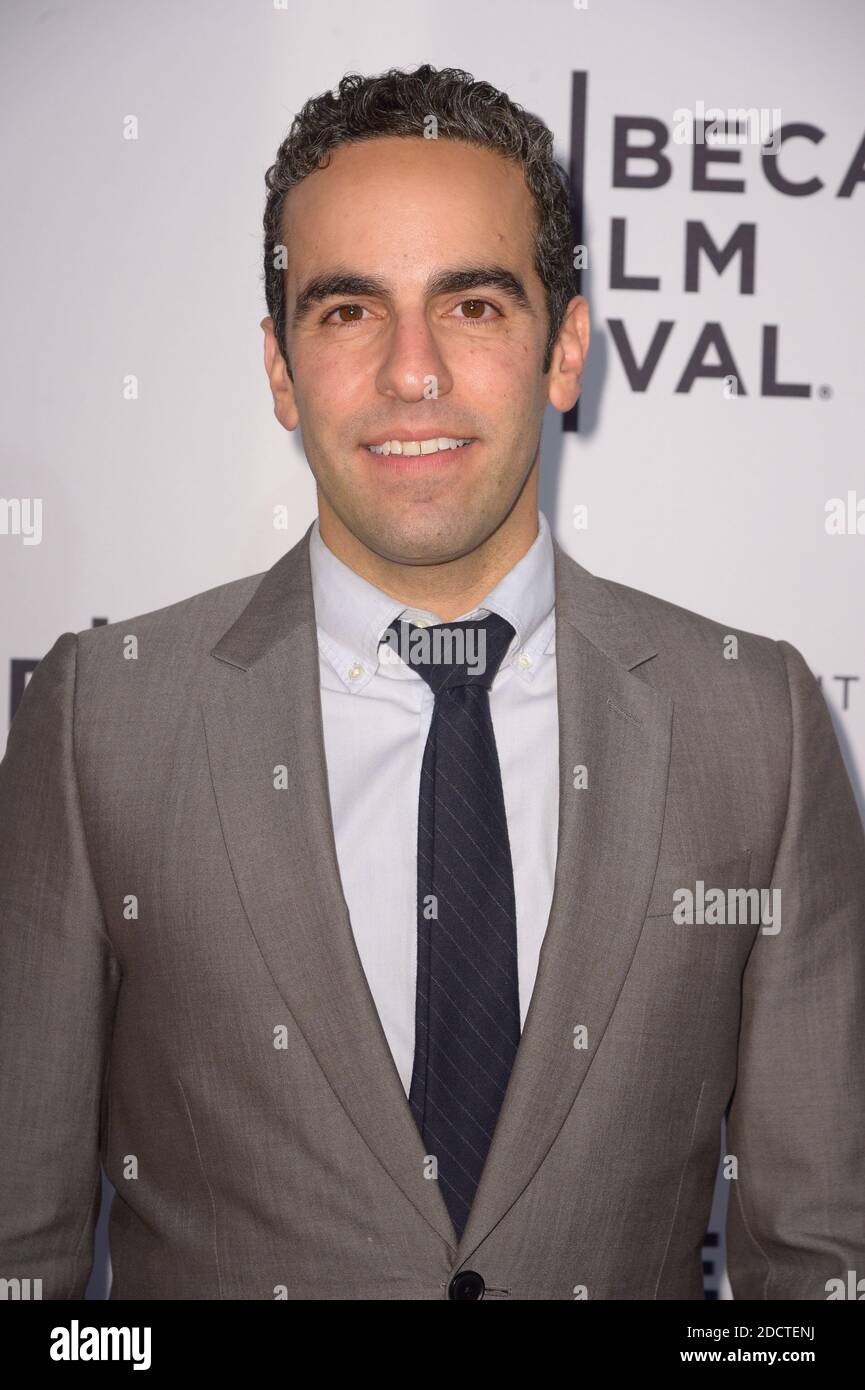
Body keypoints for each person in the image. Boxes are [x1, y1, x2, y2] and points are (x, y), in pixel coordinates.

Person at [1, 63, 863, 1302]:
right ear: (282, 368)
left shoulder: (755, 725)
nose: (413, 373)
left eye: (472, 306)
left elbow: (819, 1269)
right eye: (350, 311)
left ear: (565, 349)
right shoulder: (105, 721)